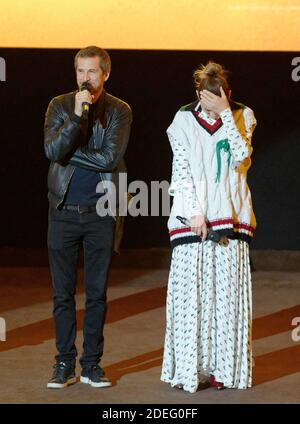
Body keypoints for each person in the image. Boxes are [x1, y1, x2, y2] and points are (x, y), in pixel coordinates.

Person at [161, 61, 257, 393]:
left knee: (226, 304)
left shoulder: (244, 115)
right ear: (198, 95)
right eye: (208, 98)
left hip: (230, 221)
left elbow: (241, 157)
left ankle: (224, 371)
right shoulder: (183, 120)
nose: (212, 105)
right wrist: (193, 213)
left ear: (228, 95)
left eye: (220, 97)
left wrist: (227, 114)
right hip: (193, 223)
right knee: (192, 302)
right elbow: (181, 170)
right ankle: (190, 370)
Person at [44, 46, 132, 389]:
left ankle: (92, 364)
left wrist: (68, 154)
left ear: (105, 74)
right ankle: (63, 363)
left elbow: (110, 158)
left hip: (101, 214)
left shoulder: (120, 110)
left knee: (96, 293)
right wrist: (78, 119)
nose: (85, 78)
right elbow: (51, 151)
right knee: (61, 294)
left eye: (92, 71)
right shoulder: (59, 105)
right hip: (62, 211)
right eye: (80, 71)